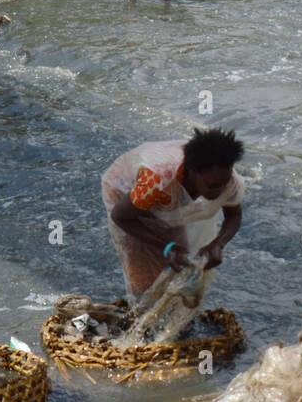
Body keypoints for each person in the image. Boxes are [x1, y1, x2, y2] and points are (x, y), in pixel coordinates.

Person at [102, 126, 245, 299]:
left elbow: (234, 215)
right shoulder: (157, 180)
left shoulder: (225, 179)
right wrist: (167, 246)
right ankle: (139, 312)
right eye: (213, 186)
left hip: (163, 197)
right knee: (144, 280)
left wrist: (218, 244)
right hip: (126, 194)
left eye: (225, 182)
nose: (221, 191)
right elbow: (121, 216)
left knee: (180, 262)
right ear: (193, 171)